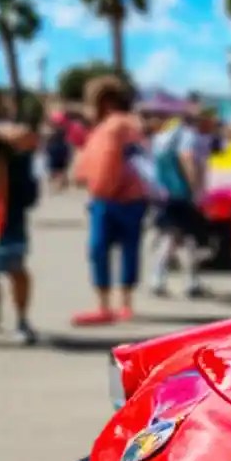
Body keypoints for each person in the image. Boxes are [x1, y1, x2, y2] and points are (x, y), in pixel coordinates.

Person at [72, 76, 148, 326]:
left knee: (100, 249)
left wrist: (98, 187)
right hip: (133, 198)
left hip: (109, 199)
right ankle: (126, 303)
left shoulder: (111, 127)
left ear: (102, 102)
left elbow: (104, 163)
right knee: (128, 249)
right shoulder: (130, 124)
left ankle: (105, 305)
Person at [149, 108, 213, 298]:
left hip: (166, 193)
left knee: (172, 236)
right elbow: (187, 158)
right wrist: (195, 189)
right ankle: (189, 282)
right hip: (183, 194)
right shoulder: (189, 136)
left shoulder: (164, 136)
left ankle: (159, 278)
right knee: (189, 238)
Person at [0, 101, 40, 345]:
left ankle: (22, 320)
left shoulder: (15, 134)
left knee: (15, 268)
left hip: (9, 214)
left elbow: (28, 139)